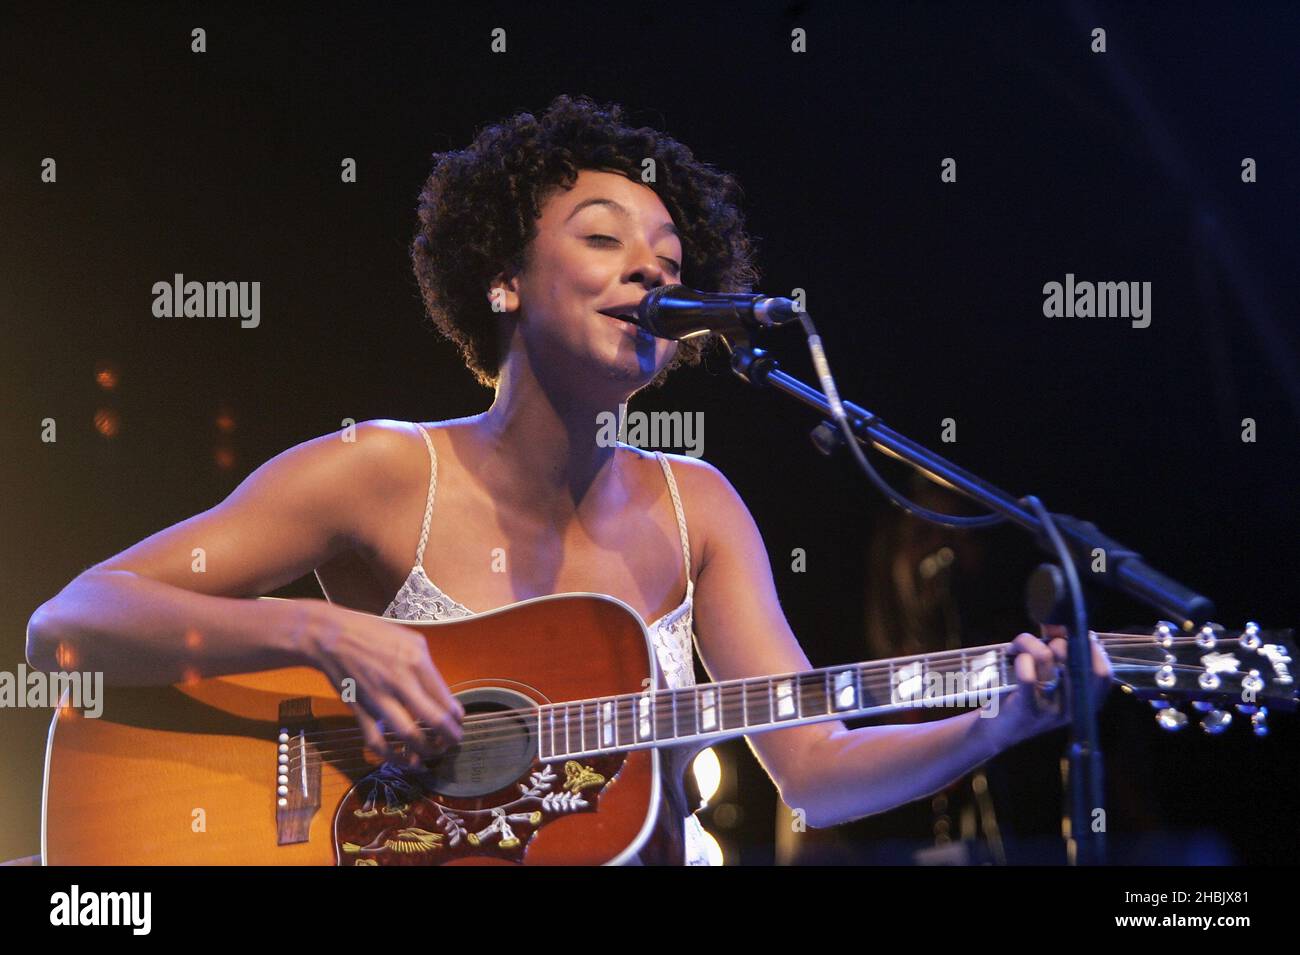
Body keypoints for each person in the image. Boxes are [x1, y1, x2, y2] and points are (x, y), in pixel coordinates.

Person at [26, 94, 1111, 865]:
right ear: (501, 276)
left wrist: (995, 721)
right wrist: (325, 635)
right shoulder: (381, 472)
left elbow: (814, 762)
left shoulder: (701, 507)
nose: (649, 270)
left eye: (673, 267)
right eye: (603, 239)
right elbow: (69, 623)